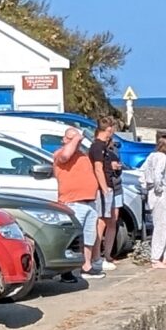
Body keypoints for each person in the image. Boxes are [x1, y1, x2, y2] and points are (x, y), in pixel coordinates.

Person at [53, 126, 103, 277]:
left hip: (89, 202)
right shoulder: (60, 154)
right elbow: (65, 156)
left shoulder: (83, 155)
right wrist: (76, 137)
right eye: (72, 139)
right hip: (73, 202)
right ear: (65, 140)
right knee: (73, 238)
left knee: (89, 237)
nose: (77, 142)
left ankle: (86, 266)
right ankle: (66, 271)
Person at [90, 118, 124, 267]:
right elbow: (98, 168)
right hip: (104, 189)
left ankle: (103, 256)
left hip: (110, 186)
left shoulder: (103, 147)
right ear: (108, 130)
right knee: (101, 221)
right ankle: (96, 258)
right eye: (112, 130)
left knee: (108, 220)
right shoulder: (97, 147)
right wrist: (104, 189)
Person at [141, 132, 166, 268]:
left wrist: (146, 187)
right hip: (158, 195)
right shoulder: (162, 156)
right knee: (161, 226)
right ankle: (156, 258)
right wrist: (159, 189)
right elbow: (157, 176)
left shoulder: (151, 156)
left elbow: (142, 171)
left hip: (152, 194)